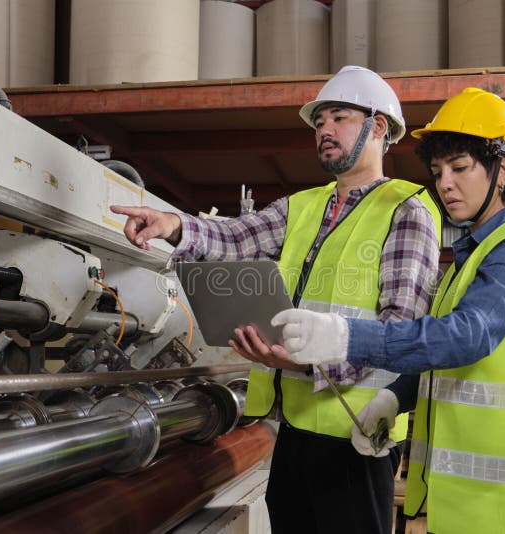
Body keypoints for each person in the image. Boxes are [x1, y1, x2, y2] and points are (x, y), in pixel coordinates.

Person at [110, 66, 443, 534]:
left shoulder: (407, 209)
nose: (324, 130)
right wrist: (173, 224)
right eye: (319, 122)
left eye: (339, 118)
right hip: (292, 429)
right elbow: (233, 236)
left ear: (379, 127)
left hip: (357, 435)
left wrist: (310, 364)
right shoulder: (303, 206)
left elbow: (400, 330)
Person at [271, 87, 505, 534]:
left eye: (461, 167)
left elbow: (464, 338)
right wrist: (396, 395)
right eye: (437, 170)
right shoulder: (469, 259)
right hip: (464, 505)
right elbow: (446, 361)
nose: (444, 183)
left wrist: (346, 336)